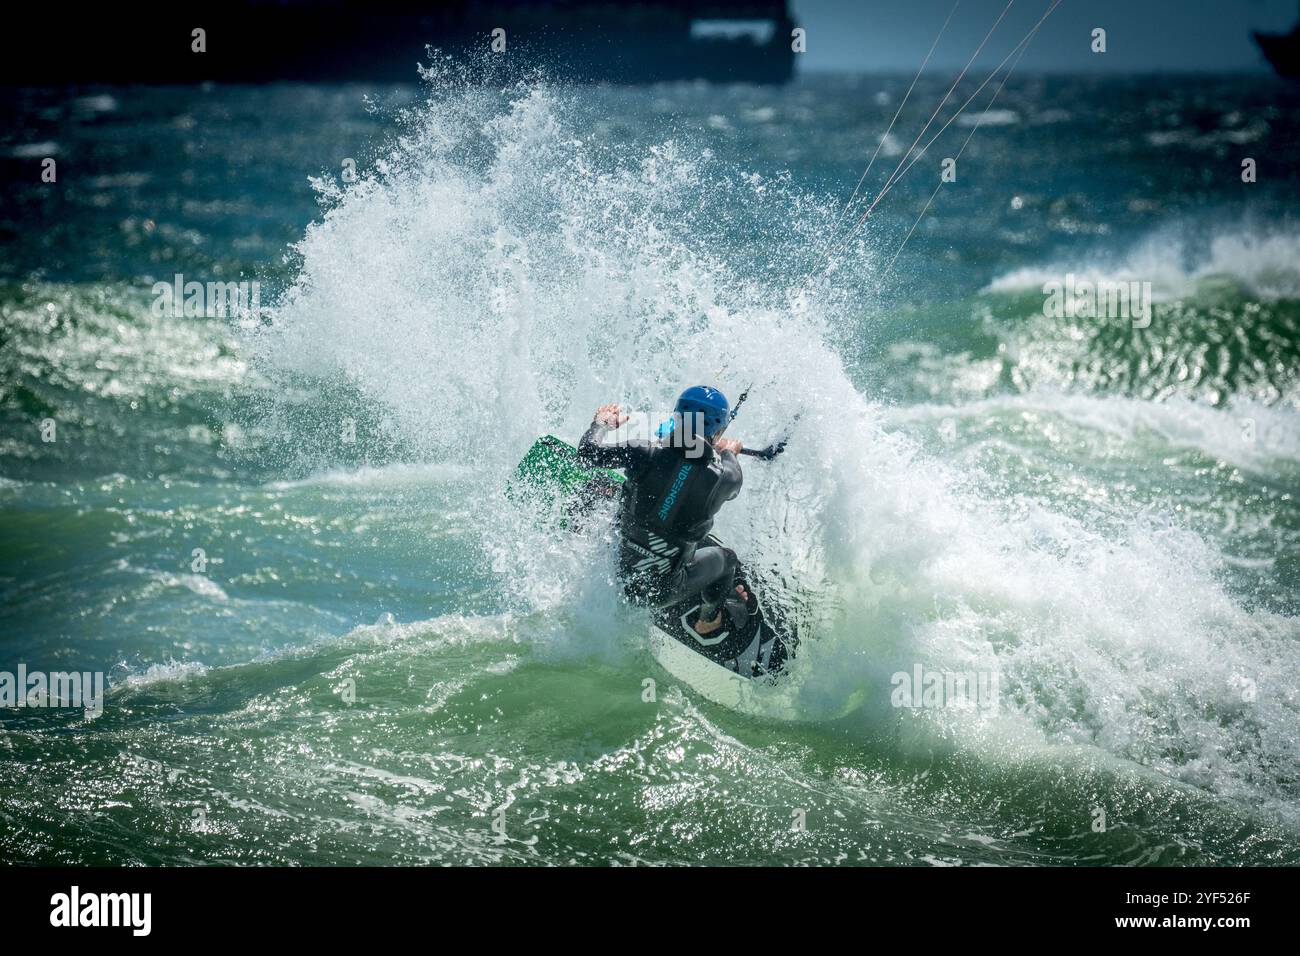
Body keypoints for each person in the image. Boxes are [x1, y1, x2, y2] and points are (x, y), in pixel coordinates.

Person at [577, 386, 748, 636]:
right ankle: (708, 620)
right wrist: (729, 452)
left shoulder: (642, 451)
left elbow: (587, 454)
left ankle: (581, 529)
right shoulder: (726, 479)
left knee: (611, 487)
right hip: (660, 593)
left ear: (676, 417)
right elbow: (726, 470)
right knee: (728, 558)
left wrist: (602, 423)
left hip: (612, 569)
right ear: (719, 431)